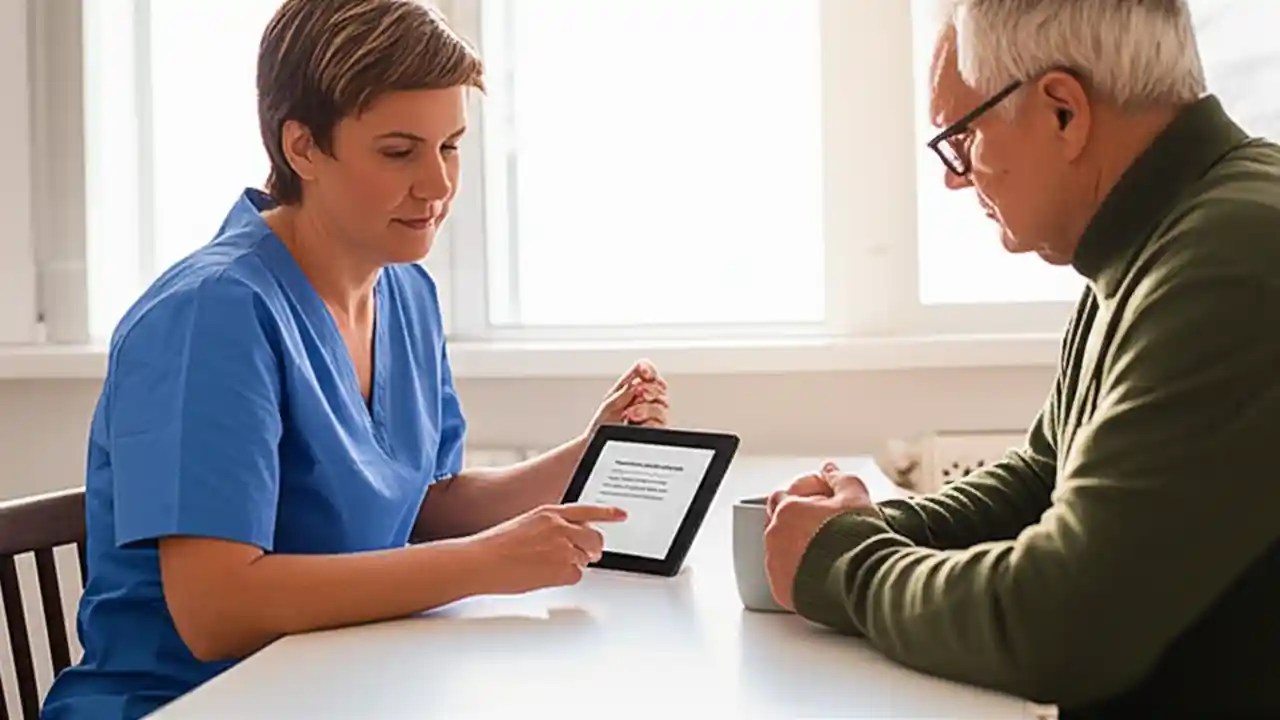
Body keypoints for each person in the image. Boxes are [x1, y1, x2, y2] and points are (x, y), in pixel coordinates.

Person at [41, 2, 668, 718]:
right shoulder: (209, 315)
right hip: (184, 704)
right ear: (302, 147)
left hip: (343, 684)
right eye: (399, 152)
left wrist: (588, 453)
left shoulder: (404, 290)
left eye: (451, 146)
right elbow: (215, 608)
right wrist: (486, 564)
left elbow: (426, 506)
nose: (436, 187)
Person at [762, 1, 1280, 718]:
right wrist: (871, 527)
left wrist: (843, 565)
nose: (954, 178)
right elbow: (1045, 474)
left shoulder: (1229, 259)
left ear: (1063, 110)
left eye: (961, 136)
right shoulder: (1160, 236)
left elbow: (1066, 624)